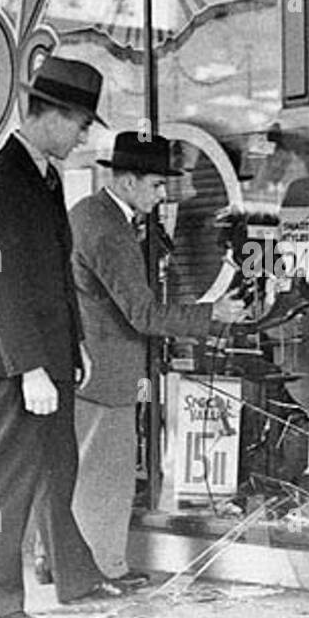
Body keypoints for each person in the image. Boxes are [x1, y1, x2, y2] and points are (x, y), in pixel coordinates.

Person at [46, 130, 246, 587]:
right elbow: (143, 313)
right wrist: (211, 313)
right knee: (106, 477)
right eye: (156, 185)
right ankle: (105, 568)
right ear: (129, 181)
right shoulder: (109, 231)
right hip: (107, 372)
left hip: (86, 367)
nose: (162, 195)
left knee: (77, 471)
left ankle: (55, 560)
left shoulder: (89, 214)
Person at [0, 56, 114, 618]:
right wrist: (29, 367)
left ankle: (74, 577)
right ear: (52, 114)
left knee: (58, 468)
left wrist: (73, 346)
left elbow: (54, 271)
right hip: (15, 363)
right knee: (2, 481)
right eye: (80, 125)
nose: (82, 138)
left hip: (49, 357)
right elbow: (0, 281)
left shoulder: (43, 177)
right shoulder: (4, 181)